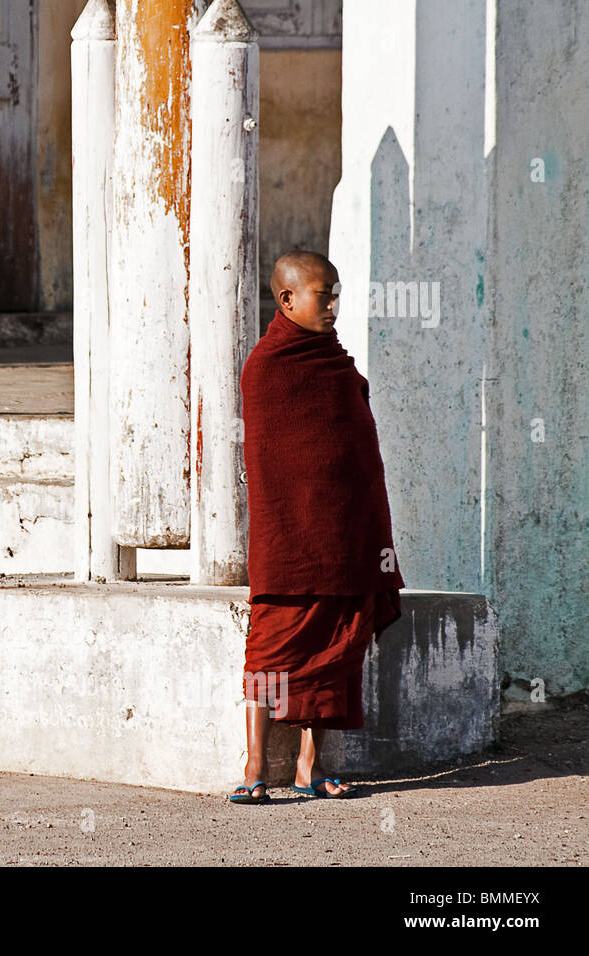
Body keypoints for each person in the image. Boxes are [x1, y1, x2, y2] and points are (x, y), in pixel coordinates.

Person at [229, 250, 404, 803]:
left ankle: (310, 767)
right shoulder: (266, 368)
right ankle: (255, 766)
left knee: (335, 647)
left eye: (336, 294)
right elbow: (275, 460)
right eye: (321, 295)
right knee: (268, 653)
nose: (332, 305)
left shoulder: (337, 364)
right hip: (287, 543)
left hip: (342, 537)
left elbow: (352, 448)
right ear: (286, 300)